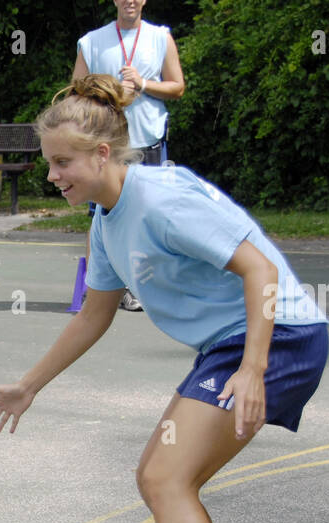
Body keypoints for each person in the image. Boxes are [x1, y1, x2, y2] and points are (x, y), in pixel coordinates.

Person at [0, 75, 329, 523]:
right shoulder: (105, 220)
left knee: (167, 478)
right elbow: (93, 315)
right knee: (163, 480)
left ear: (103, 155)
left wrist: (254, 368)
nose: (53, 175)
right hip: (234, 347)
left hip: (280, 338)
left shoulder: (162, 199)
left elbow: (262, 270)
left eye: (63, 162)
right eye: (49, 162)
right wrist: (31, 384)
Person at [73, 0, 185, 311]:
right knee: (101, 216)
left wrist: (143, 84)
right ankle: (95, 291)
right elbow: (76, 92)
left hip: (146, 141)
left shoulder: (160, 38)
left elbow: (177, 87)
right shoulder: (92, 41)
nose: (130, 1)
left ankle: (139, 288)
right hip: (105, 145)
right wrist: (113, 94)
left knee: (145, 217)